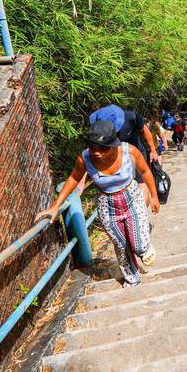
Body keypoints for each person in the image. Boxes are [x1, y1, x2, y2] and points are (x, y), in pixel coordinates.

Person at [37, 118, 160, 286]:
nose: (97, 152)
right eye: (93, 146)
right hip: (107, 204)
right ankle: (132, 278)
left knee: (138, 246)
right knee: (120, 244)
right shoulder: (85, 158)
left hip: (131, 197)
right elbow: (74, 178)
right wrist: (55, 206)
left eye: (103, 148)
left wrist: (154, 196)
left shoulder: (129, 151)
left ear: (113, 145)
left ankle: (144, 247)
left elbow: (145, 171)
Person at [90, 103, 160, 167]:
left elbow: (145, 130)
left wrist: (153, 150)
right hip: (113, 156)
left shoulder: (131, 117)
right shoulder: (97, 125)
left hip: (136, 151)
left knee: (141, 177)